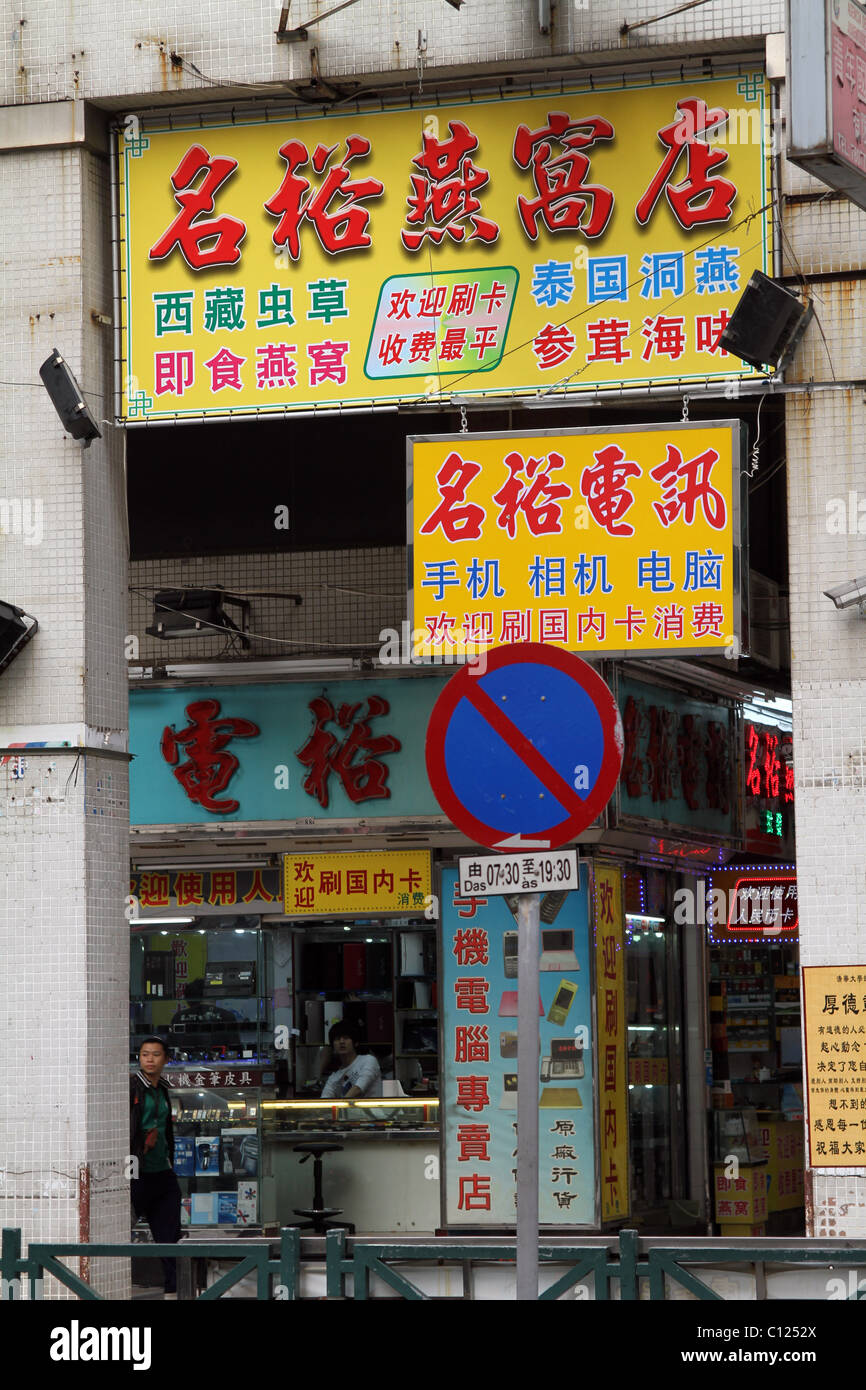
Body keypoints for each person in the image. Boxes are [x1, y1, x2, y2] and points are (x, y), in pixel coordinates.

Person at [130, 1036, 182, 1299]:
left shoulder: (162, 1088)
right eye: (144, 1054)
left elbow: (165, 1128)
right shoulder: (132, 1087)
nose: (149, 1059)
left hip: (162, 1171)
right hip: (137, 1173)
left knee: (170, 1237)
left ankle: (172, 1292)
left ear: (166, 1059)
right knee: (118, 1233)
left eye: (155, 1055)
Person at [320, 1020, 383, 1099]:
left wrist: (341, 1104)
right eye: (337, 1039)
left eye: (346, 1038)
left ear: (355, 1043)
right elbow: (324, 1100)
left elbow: (359, 1088)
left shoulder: (368, 1061)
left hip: (373, 1111)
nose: (341, 1042)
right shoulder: (334, 1078)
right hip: (347, 1111)